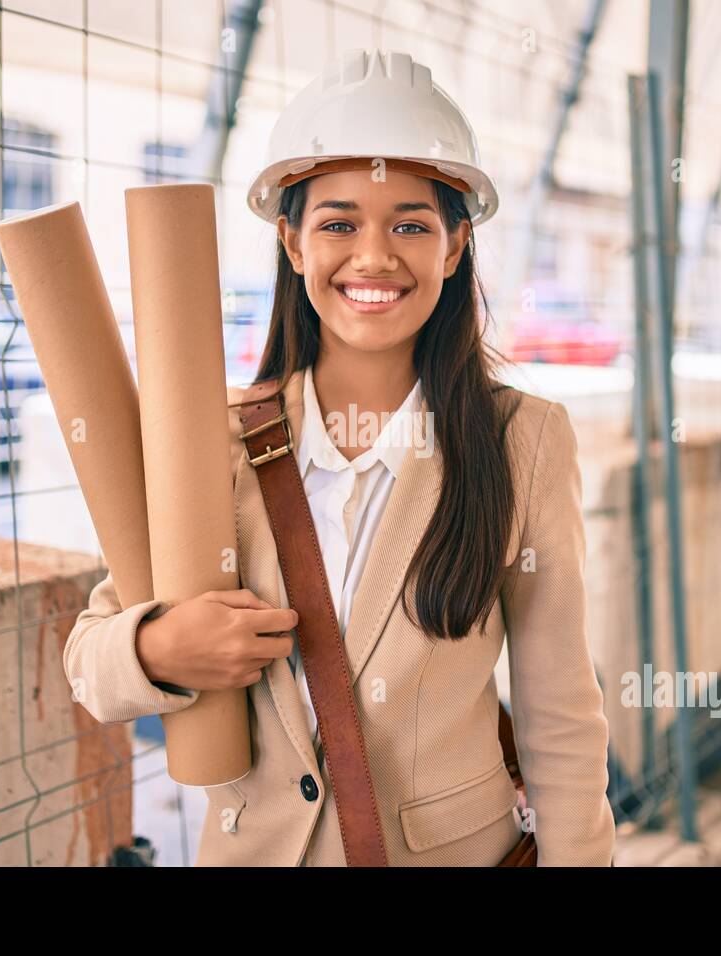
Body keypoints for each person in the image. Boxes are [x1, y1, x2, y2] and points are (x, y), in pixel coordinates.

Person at [64, 47, 616, 867]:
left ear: (456, 247)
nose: (373, 257)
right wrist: (156, 649)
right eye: (338, 222)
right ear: (291, 243)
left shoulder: (520, 440)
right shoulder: (212, 441)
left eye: (411, 225)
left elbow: (560, 708)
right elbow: (89, 659)